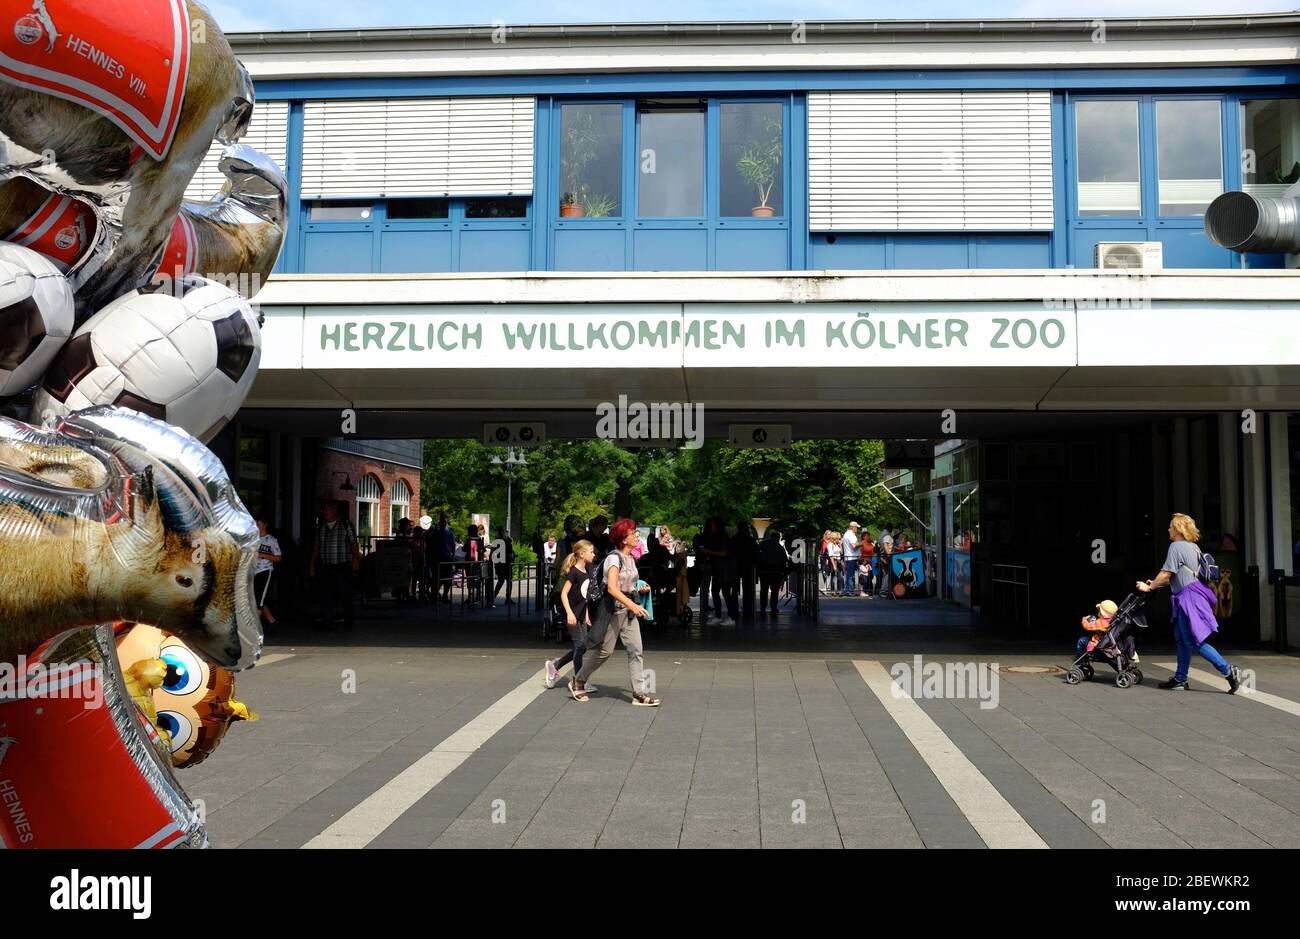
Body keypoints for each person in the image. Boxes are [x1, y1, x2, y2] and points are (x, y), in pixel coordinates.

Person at [1137, 512, 1241, 693]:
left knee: (1194, 640)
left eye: (1171, 526)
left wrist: (1150, 587)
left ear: (1178, 529)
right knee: (1182, 639)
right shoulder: (1193, 547)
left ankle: (1228, 670)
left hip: (1188, 599)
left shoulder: (1176, 546)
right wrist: (1154, 584)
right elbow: (1180, 575)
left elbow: (1166, 574)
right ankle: (1180, 679)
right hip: (1192, 595)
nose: (1168, 529)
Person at [571, 518, 661, 706]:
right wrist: (634, 605)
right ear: (623, 538)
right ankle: (578, 680)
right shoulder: (614, 558)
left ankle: (639, 693)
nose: (637, 535)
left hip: (627, 611)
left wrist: (639, 588)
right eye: (633, 533)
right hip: (612, 610)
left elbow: (629, 583)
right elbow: (612, 588)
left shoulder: (631, 558)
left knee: (636, 650)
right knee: (605, 652)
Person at [545, 539, 597, 692]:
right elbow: (564, 594)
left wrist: (586, 614)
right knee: (580, 645)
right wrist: (569, 613)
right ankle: (579, 681)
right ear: (582, 554)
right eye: (591, 552)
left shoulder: (588, 571)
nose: (594, 555)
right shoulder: (574, 572)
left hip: (581, 615)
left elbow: (585, 597)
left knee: (581, 647)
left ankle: (555, 665)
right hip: (572, 615)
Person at [309, 501, 360, 628]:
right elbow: (316, 546)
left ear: (333, 511)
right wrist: (312, 564)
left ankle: (348, 620)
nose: (324, 513)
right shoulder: (322, 527)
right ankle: (328, 620)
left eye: (326, 510)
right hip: (326, 566)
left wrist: (355, 560)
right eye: (323, 510)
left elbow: (353, 543)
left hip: (342, 565)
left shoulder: (345, 524)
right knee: (326, 594)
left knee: (345, 594)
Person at [254, 516, 281, 626]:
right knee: (258, 598)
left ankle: (254, 628)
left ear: (265, 525)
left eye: (259, 523)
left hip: (265, 571)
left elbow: (279, 558)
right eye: (255, 524)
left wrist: (264, 555)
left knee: (259, 601)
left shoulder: (271, 540)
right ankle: (272, 622)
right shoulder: (253, 539)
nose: (257, 526)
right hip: (253, 572)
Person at [757, 528, 789, 615]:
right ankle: (773, 607)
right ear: (778, 538)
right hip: (776, 572)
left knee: (764, 590)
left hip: (764, 572)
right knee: (774, 591)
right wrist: (784, 575)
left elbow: (757, 555)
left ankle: (763, 607)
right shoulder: (780, 548)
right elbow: (784, 561)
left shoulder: (763, 544)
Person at [492, 531, 515, 605]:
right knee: (509, 581)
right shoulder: (507, 542)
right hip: (506, 564)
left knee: (500, 581)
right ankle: (507, 598)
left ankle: (493, 597)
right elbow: (510, 554)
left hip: (499, 564)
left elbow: (492, 554)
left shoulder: (496, 542)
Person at [842, 522, 861, 597]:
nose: (857, 529)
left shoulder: (846, 534)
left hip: (849, 556)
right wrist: (861, 543)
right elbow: (854, 546)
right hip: (852, 557)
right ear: (853, 527)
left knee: (849, 574)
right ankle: (850, 590)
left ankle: (848, 589)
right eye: (856, 527)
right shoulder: (851, 535)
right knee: (850, 574)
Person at [860, 533, 876, 598]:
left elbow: (873, 551)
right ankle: (866, 590)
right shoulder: (863, 543)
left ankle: (870, 590)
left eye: (869, 535)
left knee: (871, 576)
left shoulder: (870, 543)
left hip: (871, 561)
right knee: (866, 577)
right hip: (865, 562)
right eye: (867, 536)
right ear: (864, 537)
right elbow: (865, 550)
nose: (869, 537)